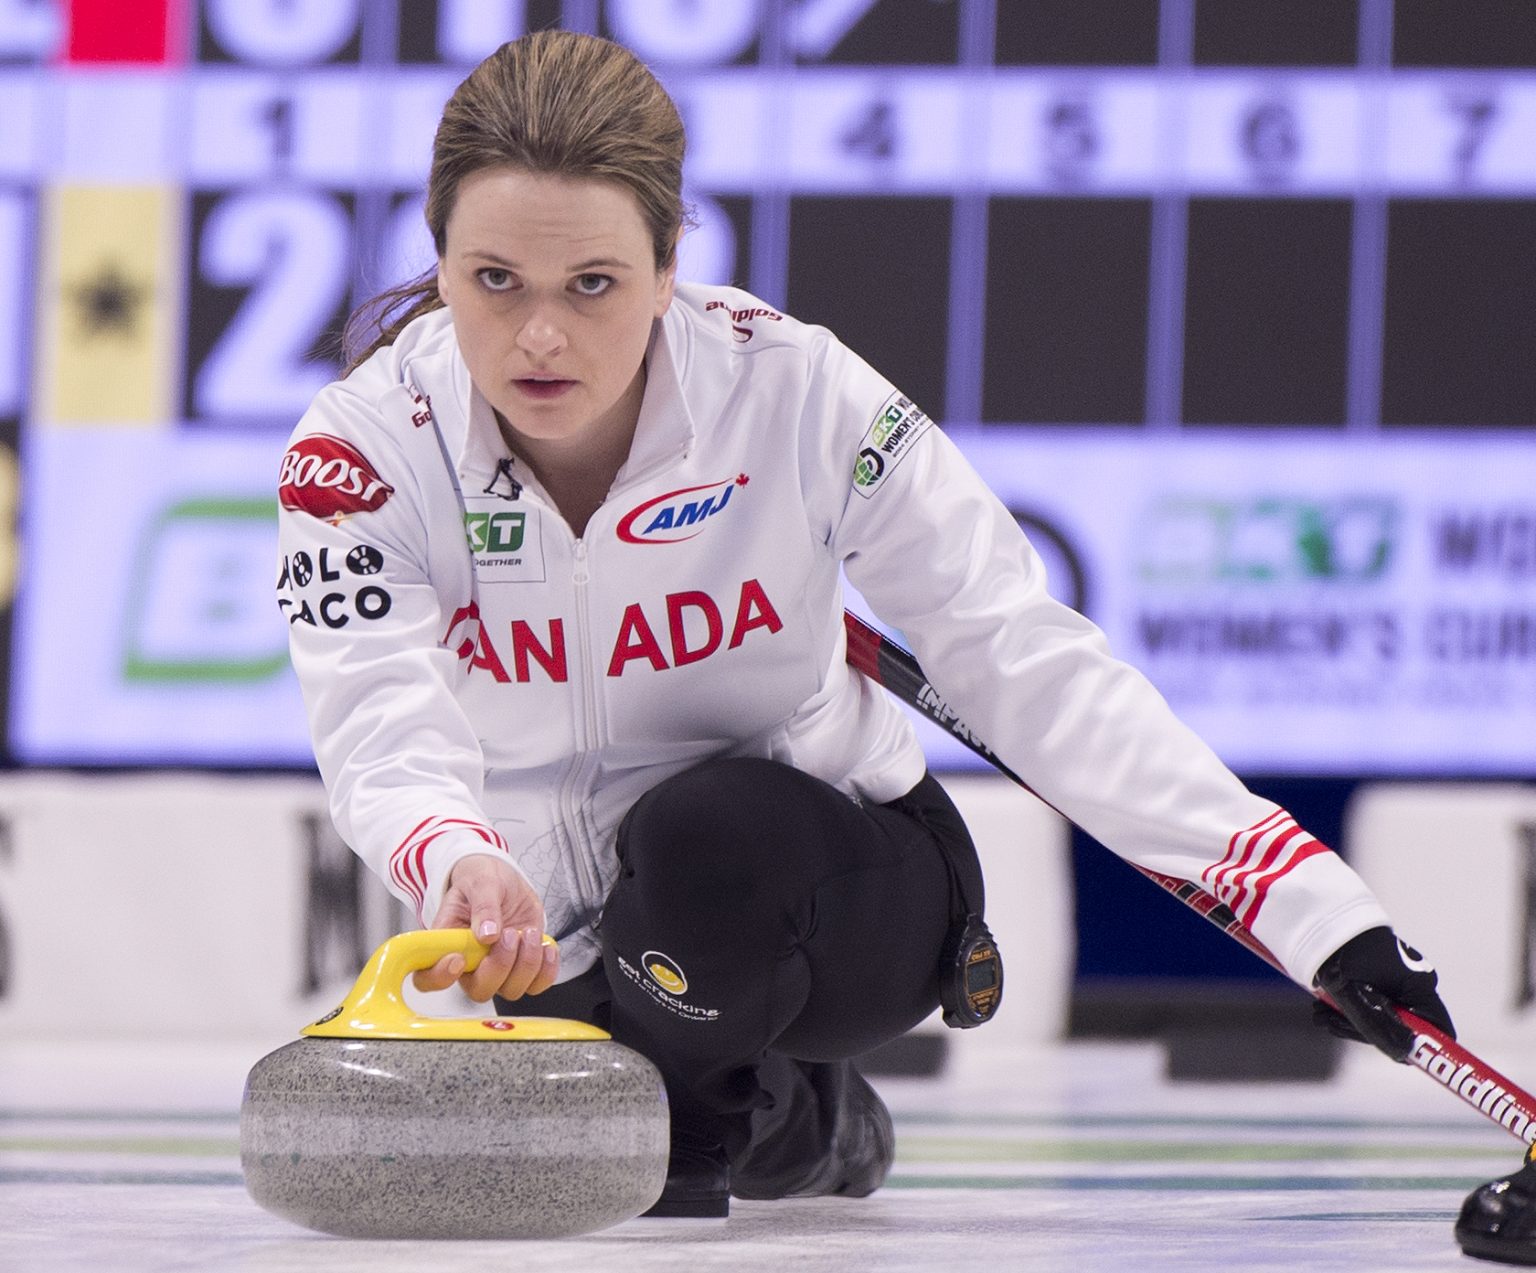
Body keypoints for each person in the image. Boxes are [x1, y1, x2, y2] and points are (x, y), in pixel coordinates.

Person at [276, 29, 1454, 1218]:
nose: (541, 336)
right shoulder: (358, 452)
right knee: (613, 1044)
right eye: (494, 282)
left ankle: (741, 1119)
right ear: (436, 257)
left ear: (671, 259)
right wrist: (457, 857)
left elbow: (1020, 653)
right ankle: (779, 1114)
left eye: (592, 285)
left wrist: (1318, 915)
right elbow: (378, 709)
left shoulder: (797, 393)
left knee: (702, 843)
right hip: (557, 927)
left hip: (834, 878)